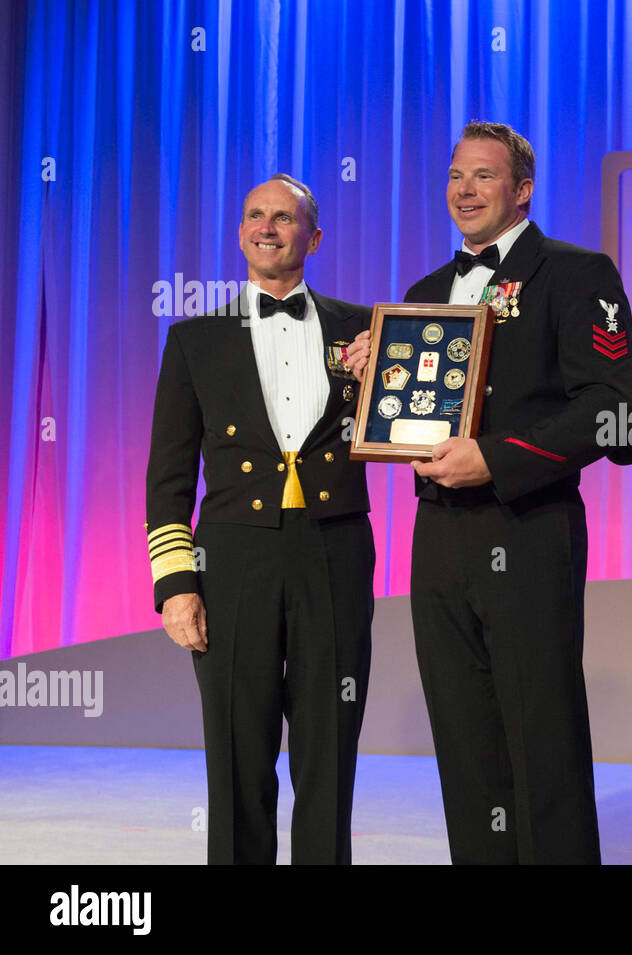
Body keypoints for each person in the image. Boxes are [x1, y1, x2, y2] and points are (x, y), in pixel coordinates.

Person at [347, 121, 632, 864]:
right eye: (455, 175)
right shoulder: (423, 295)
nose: (465, 190)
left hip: (529, 526)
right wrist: (368, 378)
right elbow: (402, 419)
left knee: (541, 738)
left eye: (483, 175)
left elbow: (611, 412)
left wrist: (498, 458)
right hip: (438, 536)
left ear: (522, 189)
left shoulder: (577, 274)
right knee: (465, 742)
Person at [146, 174, 374, 864]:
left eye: (284, 217)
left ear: (314, 236)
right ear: (241, 230)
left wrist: (382, 382)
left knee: (327, 752)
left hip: (333, 553)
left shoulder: (365, 330)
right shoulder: (195, 339)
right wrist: (175, 581)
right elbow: (168, 474)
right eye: (255, 216)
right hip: (231, 562)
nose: (267, 228)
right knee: (238, 752)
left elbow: (412, 435)